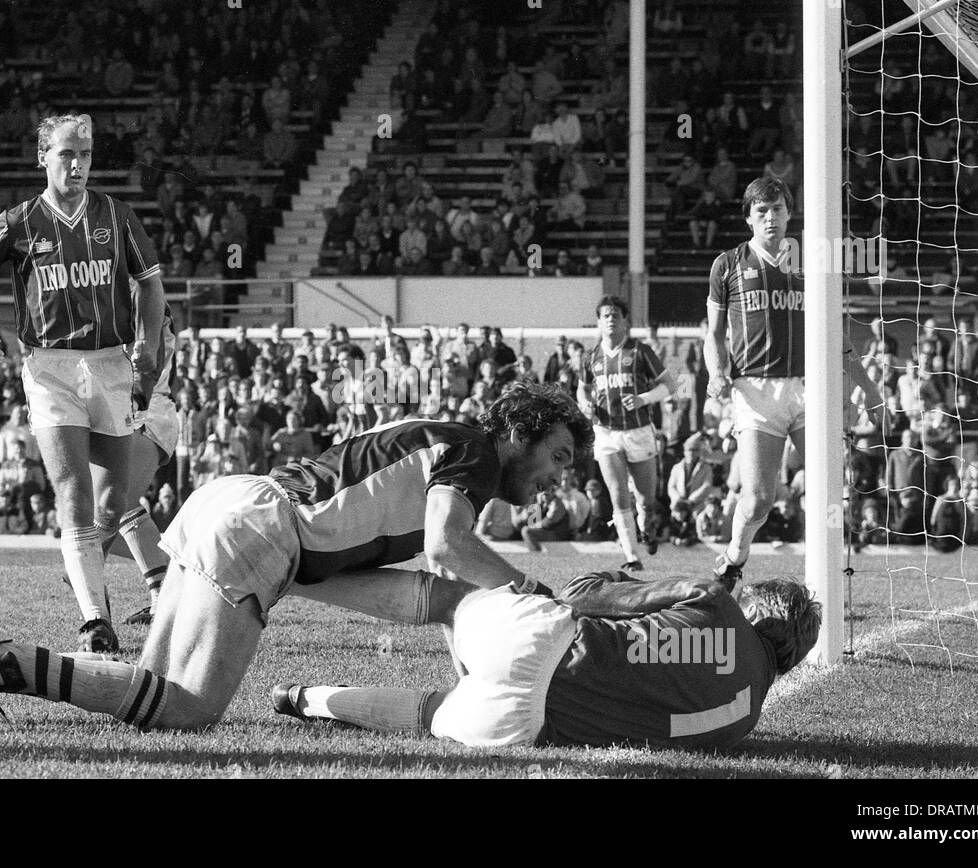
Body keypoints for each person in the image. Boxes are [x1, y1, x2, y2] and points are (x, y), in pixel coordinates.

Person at [0, 384, 593, 731]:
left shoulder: (443, 438)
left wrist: (473, 680)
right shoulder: (473, 450)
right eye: (558, 456)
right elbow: (449, 545)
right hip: (263, 533)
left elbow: (431, 586)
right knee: (187, 710)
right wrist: (532, 588)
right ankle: (2, 661)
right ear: (517, 434)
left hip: (237, 507)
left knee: (149, 685)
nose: (558, 476)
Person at [0, 113, 165, 652]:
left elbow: (151, 285)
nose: (78, 164)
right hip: (49, 367)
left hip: (112, 364)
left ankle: (97, 576)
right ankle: (95, 620)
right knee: (72, 489)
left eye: (86, 154)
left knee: (114, 502)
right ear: (41, 157)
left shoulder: (116, 216)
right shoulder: (19, 221)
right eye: (66, 153)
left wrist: (149, 344)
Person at [271, 570, 820, 750]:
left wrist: (617, 582)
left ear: (757, 609)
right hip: (531, 724)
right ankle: (309, 699)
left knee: (447, 599)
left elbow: (582, 593)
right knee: (430, 711)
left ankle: (300, 578)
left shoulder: (717, 601)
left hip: (543, 642)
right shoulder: (744, 724)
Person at [704, 178, 805, 590]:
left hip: (807, 385)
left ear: (789, 213)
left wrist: (862, 389)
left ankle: (824, 575)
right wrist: (716, 372)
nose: (771, 218)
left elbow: (835, 326)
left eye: (778, 209)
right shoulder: (727, 264)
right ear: (748, 218)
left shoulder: (809, 260)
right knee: (759, 498)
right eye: (762, 211)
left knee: (829, 483)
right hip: (755, 390)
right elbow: (713, 333)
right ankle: (734, 557)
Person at [578, 296, 678, 570]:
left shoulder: (640, 351)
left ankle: (646, 527)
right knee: (618, 493)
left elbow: (670, 385)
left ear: (625, 321)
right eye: (605, 315)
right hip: (607, 432)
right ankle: (632, 556)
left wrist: (644, 398)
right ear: (598, 322)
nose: (610, 319)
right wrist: (584, 403)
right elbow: (582, 387)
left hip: (639, 432)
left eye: (615, 315)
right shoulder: (590, 357)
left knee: (646, 500)